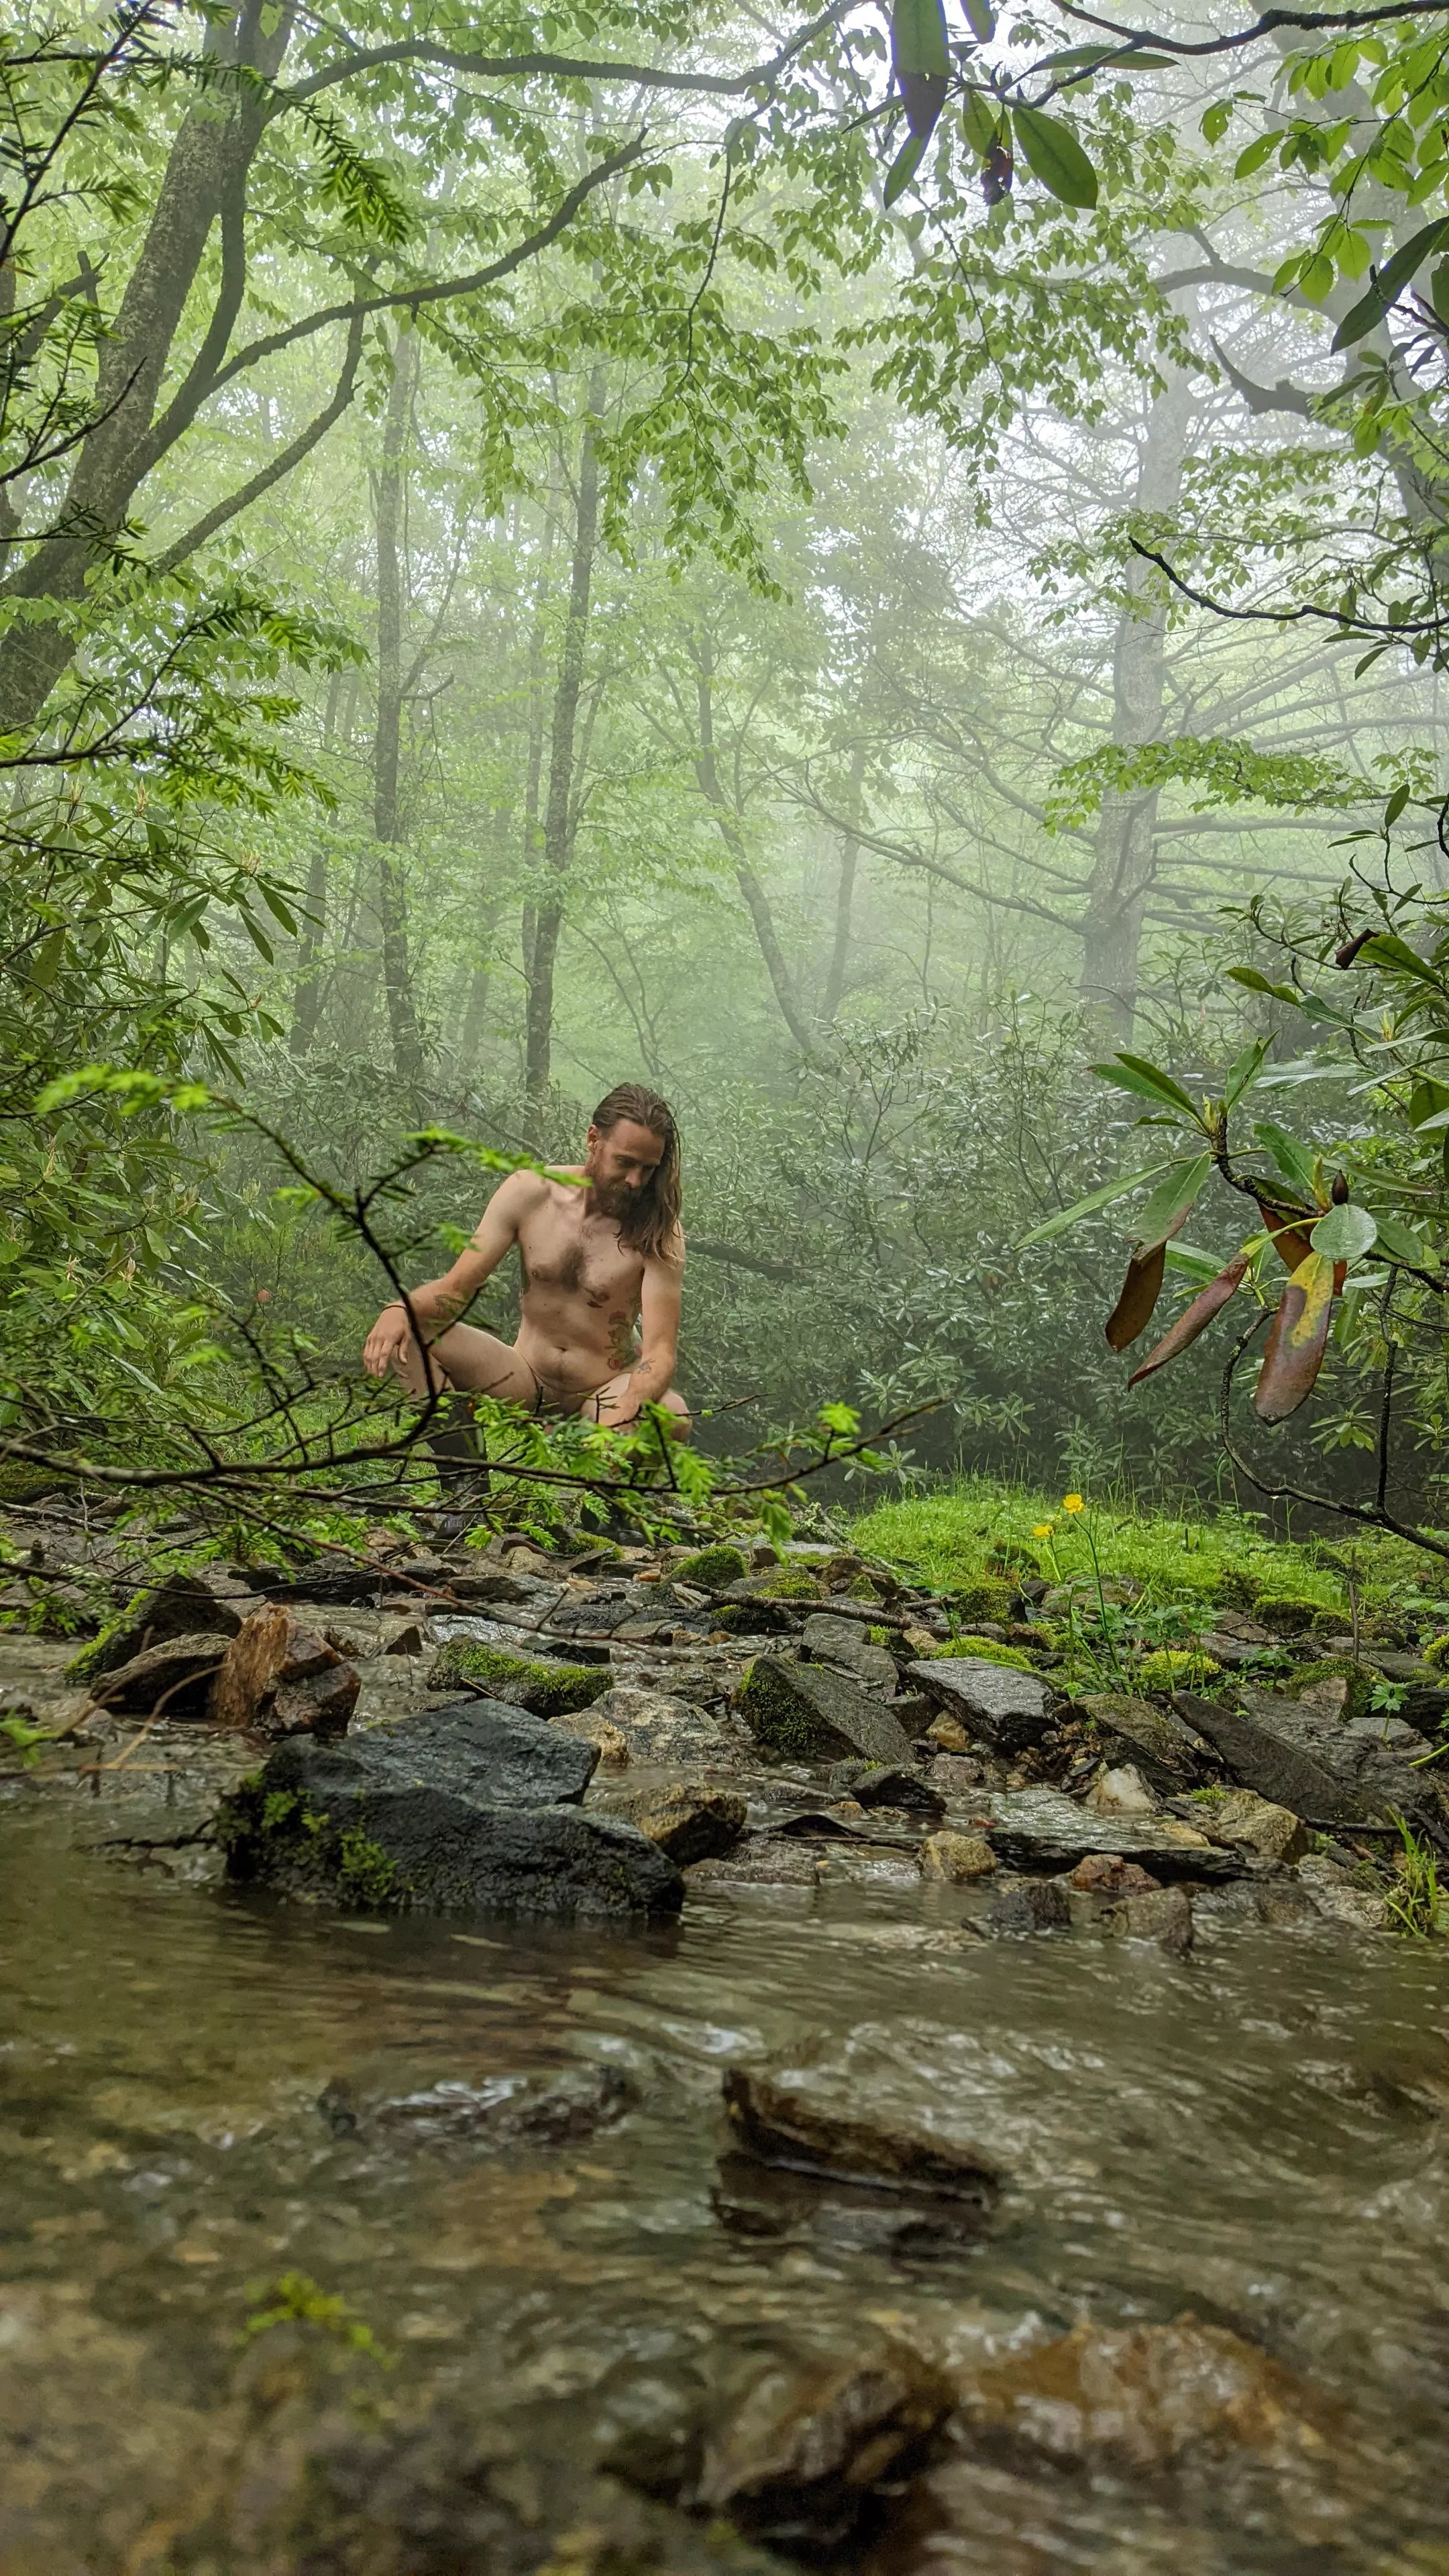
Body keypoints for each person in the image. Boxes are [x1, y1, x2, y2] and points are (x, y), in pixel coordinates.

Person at [362, 1081, 688, 1434]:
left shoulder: (658, 1231)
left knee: (673, 1415)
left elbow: (659, 1352)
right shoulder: (531, 1193)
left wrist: (625, 1409)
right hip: (525, 1377)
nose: (635, 1181)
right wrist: (399, 1309)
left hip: (603, 1391)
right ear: (594, 1139)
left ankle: (592, 1463)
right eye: (624, 1163)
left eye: (648, 1169)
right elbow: (456, 1289)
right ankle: (461, 1461)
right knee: (409, 1331)